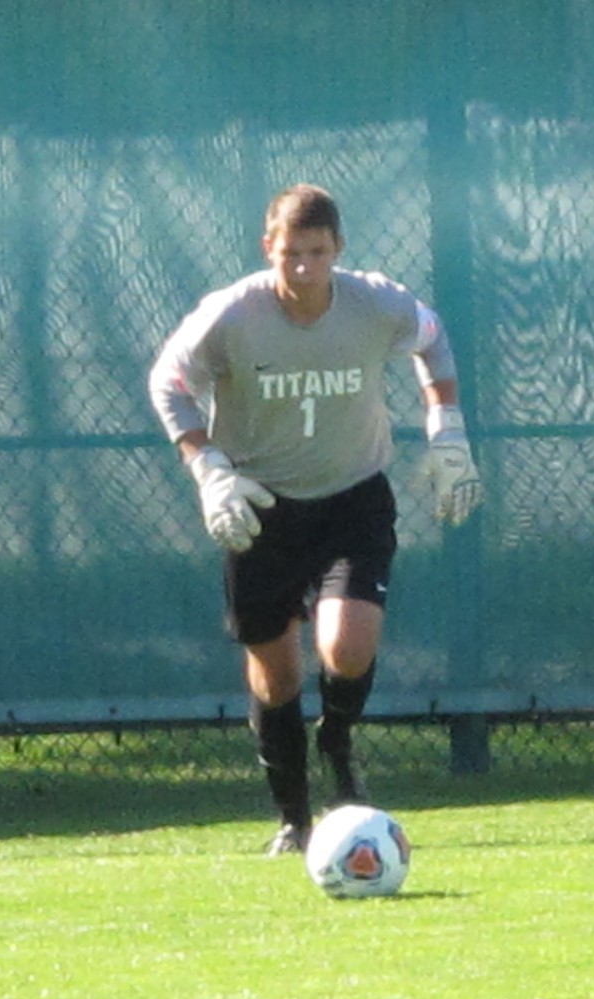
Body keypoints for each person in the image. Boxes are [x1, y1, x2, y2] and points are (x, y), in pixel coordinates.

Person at [148, 183, 482, 855]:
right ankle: (294, 818)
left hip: (352, 499)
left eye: (317, 252)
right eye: (290, 253)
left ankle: (338, 742)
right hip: (262, 507)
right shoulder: (232, 315)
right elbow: (169, 382)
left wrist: (448, 432)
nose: (302, 268)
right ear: (267, 249)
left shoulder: (375, 303)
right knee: (275, 675)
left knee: (345, 647)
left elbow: (434, 339)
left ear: (339, 252)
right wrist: (209, 470)